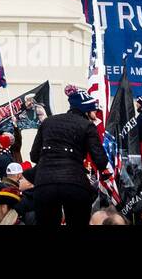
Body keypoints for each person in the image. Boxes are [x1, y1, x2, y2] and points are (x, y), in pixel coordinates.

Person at [29, 84, 108, 226]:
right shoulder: (87, 125)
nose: (96, 113)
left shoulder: (48, 121)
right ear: (86, 110)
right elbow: (101, 161)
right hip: (75, 183)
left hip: (44, 182)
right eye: (93, 109)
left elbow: (34, 156)